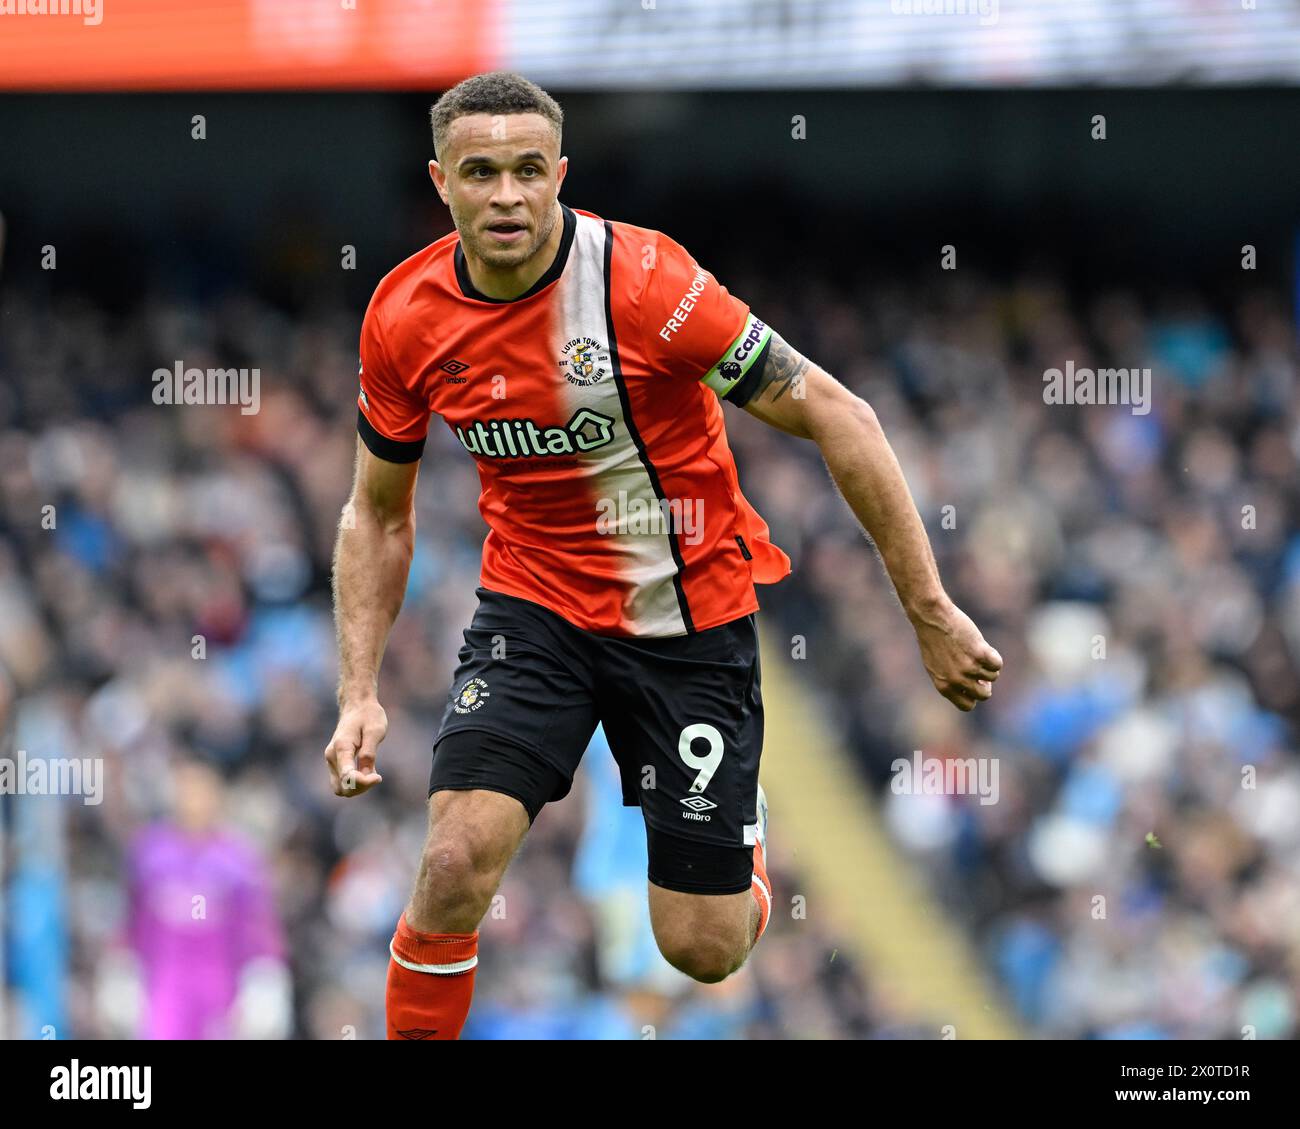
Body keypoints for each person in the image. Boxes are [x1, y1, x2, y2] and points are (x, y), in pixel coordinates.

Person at [323, 71, 1002, 1040]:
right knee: (451, 862)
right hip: (535, 613)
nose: (506, 194)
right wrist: (357, 689)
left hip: (688, 619)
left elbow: (833, 411)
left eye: (526, 170)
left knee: (702, 947)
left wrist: (929, 611)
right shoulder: (404, 317)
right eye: (481, 173)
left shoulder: (646, 285)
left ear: (559, 172)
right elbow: (376, 514)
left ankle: (740, 835)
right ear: (441, 183)